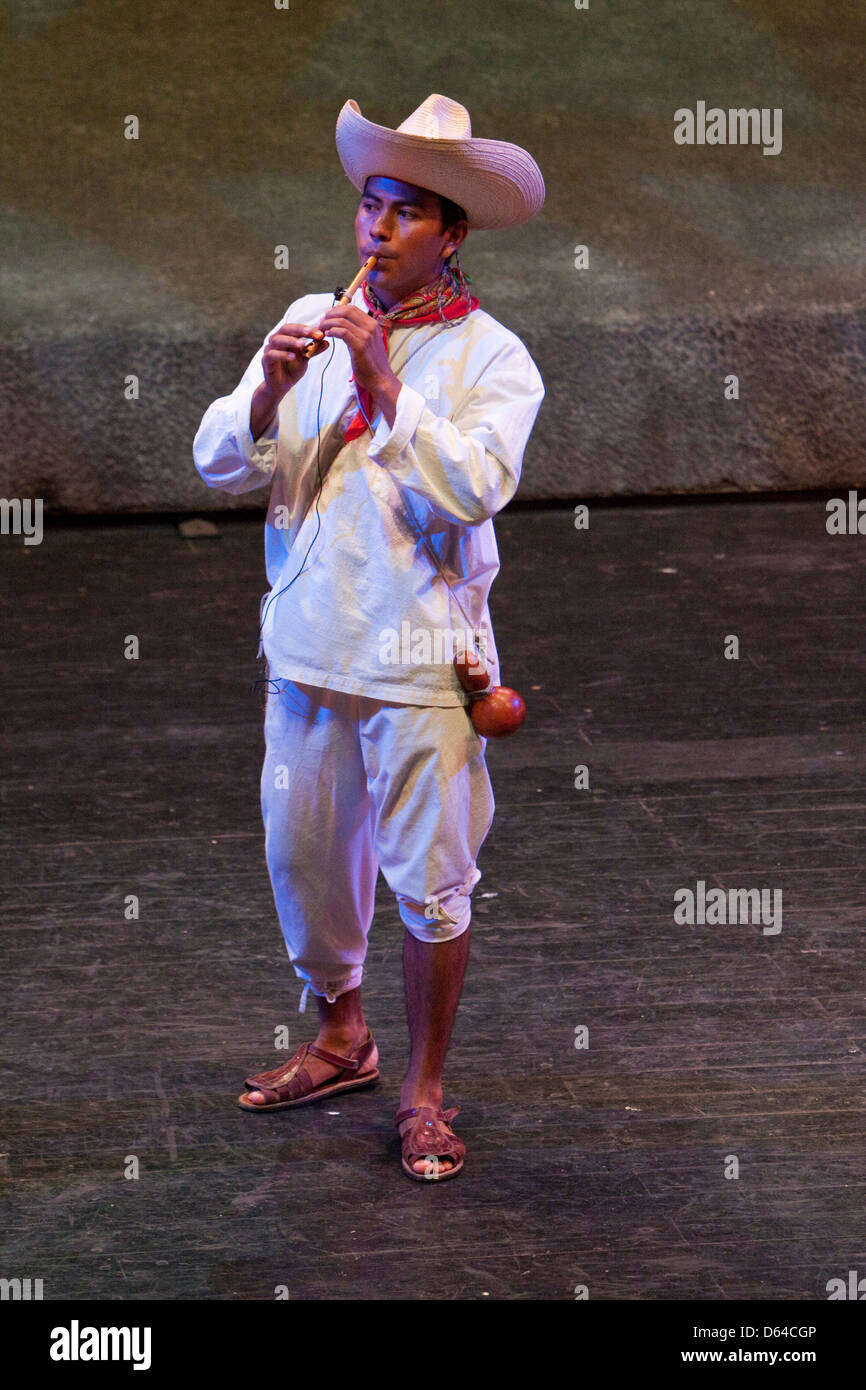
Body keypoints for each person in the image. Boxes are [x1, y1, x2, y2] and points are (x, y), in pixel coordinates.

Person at [193, 94, 545, 1181]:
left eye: (402, 213)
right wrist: (269, 390)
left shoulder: (494, 360)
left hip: (418, 662)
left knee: (431, 880)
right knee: (301, 865)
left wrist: (386, 388)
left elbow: (473, 489)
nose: (375, 230)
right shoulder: (309, 315)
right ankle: (342, 1036)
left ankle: (426, 1091)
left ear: (451, 233)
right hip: (306, 646)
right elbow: (218, 460)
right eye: (367, 205)